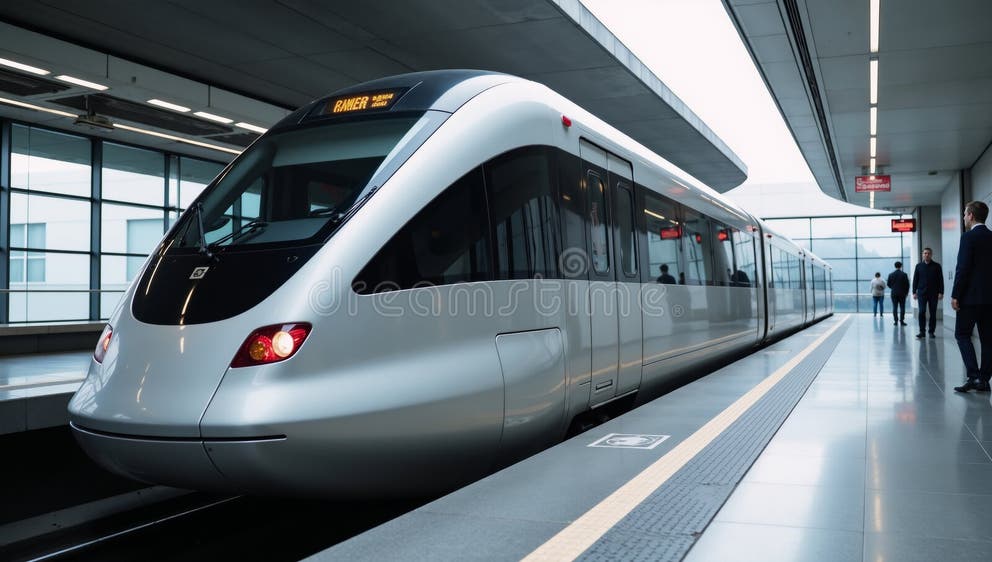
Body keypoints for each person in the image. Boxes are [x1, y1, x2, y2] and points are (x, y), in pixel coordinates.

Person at [951, 201, 992, 393]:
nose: (964, 217)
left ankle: (973, 376)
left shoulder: (968, 238)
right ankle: (984, 380)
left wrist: (955, 295)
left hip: (970, 298)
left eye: (965, 214)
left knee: (962, 334)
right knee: (988, 339)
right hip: (990, 299)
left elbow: (963, 269)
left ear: (971, 216)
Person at [912, 247, 943, 338]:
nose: (927, 255)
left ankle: (931, 331)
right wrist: (914, 292)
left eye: (928, 253)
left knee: (933, 312)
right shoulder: (918, 266)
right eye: (925, 253)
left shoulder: (937, 266)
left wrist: (941, 292)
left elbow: (940, 280)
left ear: (931, 254)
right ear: (922, 254)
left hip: (934, 293)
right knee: (921, 311)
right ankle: (922, 331)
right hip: (921, 293)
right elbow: (915, 280)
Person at [886, 261, 909, 326]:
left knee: (895, 307)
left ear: (895, 266)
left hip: (894, 293)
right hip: (902, 293)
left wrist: (893, 288)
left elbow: (888, 284)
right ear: (901, 266)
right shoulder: (904, 274)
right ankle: (902, 321)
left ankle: (895, 321)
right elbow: (907, 285)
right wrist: (906, 292)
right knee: (902, 307)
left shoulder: (891, 274)